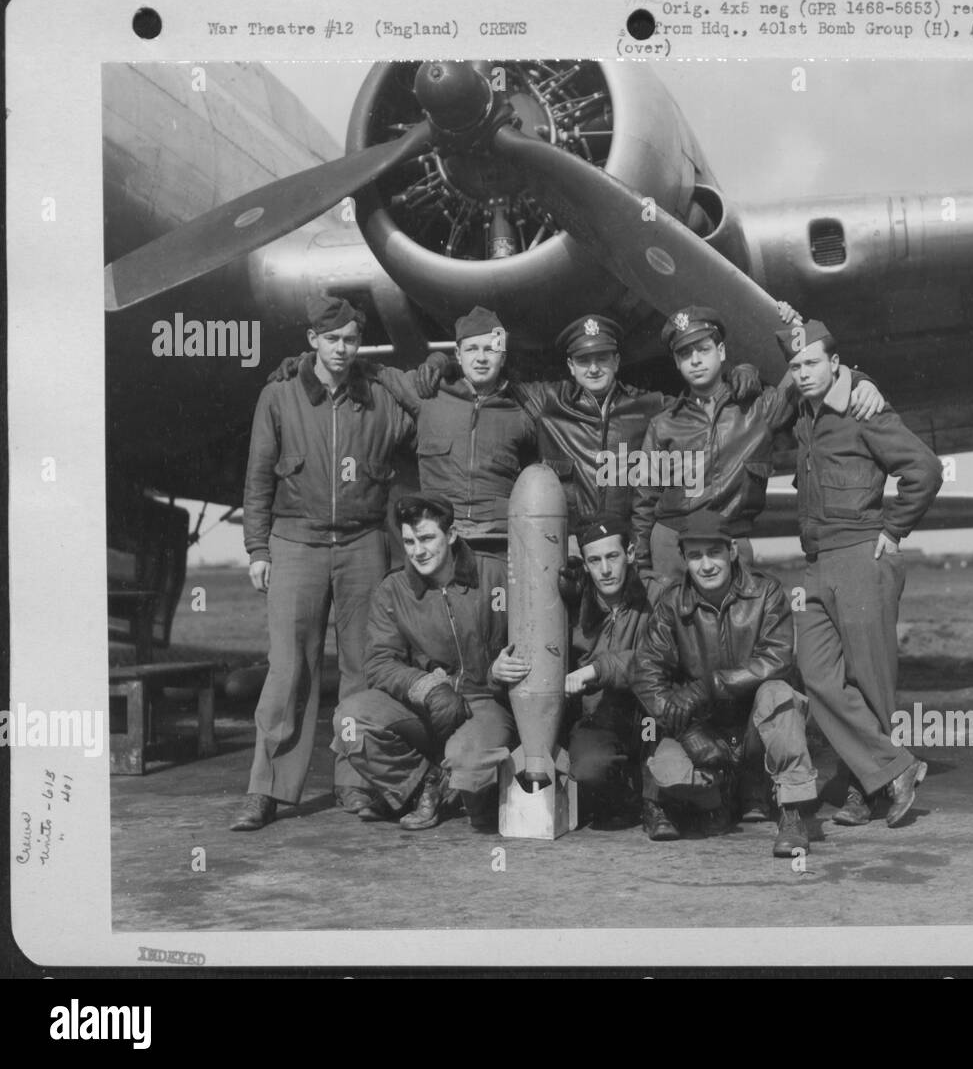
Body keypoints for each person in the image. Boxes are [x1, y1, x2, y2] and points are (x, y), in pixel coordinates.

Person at [233, 295, 415, 831]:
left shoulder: (380, 398)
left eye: (352, 340)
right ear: (312, 339)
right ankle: (265, 790)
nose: (342, 349)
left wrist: (389, 372)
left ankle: (356, 783)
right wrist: (257, 549)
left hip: (363, 544)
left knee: (363, 668)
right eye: (332, 339)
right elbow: (258, 477)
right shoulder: (278, 395)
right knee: (289, 667)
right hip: (296, 542)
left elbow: (430, 399)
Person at [775, 315, 943, 828]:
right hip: (816, 562)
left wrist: (894, 530)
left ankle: (866, 788)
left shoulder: (862, 407)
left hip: (860, 556)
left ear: (834, 364)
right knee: (817, 674)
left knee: (871, 684)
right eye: (794, 365)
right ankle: (894, 769)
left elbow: (925, 469)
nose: (802, 373)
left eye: (811, 363)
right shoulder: (801, 414)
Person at [418, 313, 762, 529]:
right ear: (570, 366)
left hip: (626, 543)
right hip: (570, 543)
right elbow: (488, 374)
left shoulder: (651, 406)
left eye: (601, 358)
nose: (593, 368)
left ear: (616, 361)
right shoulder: (546, 402)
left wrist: (738, 374)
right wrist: (443, 362)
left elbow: (702, 404)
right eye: (584, 360)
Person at [631, 306, 884, 581]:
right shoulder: (663, 424)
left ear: (722, 351)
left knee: (741, 622)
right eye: (684, 354)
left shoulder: (760, 409)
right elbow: (645, 496)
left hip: (731, 541)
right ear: (676, 363)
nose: (695, 360)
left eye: (703, 349)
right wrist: (643, 565)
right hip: (671, 546)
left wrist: (797, 328)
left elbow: (810, 373)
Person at [269, 305, 536, 557]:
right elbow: (373, 370)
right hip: (442, 542)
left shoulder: (522, 411)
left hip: (499, 544)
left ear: (502, 356)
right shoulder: (428, 392)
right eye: (472, 349)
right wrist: (306, 362)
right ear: (458, 354)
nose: (480, 358)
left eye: (490, 350)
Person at [331, 494, 528, 831]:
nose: (417, 551)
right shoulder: (394, 590)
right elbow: (379, 662)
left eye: (426, 539)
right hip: (427, 706)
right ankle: (426, 784)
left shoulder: (494, 575)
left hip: (484, 703)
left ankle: (462, 782)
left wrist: (498, 671)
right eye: (409, 541)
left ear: (451, 535)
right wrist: (427, 686)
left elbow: (530, 633)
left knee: (467, 762)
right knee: (350, 721)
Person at [630, 509, 819, 857]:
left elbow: (776, 659)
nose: (706, 566)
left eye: (714, 553)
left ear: (731, 551)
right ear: (684, 559)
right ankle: (724, 795)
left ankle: (791, 814)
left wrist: (708, 686)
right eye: (695, 556)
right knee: (669, 772)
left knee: (778, 694)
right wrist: (687, 730)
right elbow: (646, 673)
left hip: (755, 729)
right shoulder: (672, 603)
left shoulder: (767, 592)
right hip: (705, 730)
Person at [562, 512, 662, 829]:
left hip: (652, 715)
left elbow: (657, 660)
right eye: (594, 561)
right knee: (591, 766)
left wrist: (595, 670)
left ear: (630, 554)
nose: (605, 570)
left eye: (612, 557)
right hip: (600, 718)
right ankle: (622, 794)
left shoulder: (659, 594)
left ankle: (655, 800)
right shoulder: (573, 604)